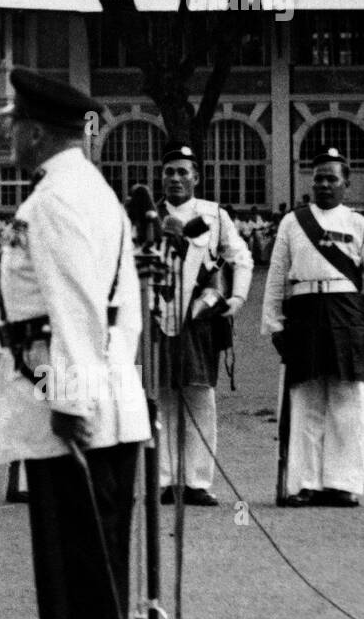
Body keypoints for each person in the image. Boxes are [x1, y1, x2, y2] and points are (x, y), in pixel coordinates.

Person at [0, 69, 150, 619]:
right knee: (89, 570)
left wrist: (69, 401)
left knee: (74, 574)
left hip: (75, 412)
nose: (8, 138)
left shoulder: (55, 200)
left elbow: (75, 308)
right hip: (105, 398)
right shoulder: (92, 192)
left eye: (12, 127)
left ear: (34, 131)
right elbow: (124, 310)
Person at [262, 146, 364, 507]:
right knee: (304, 400)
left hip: (346, 313)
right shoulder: (293, 221)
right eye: (318, 177)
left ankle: (341, 482)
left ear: (346, 184)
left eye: (331, 178)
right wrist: (274, 322)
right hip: (304, 311)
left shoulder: (357, 223)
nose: (323, 184)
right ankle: (304, 483)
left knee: (346, 401)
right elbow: (276, 275)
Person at [154, 143, 253, 506]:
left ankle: (196, 480)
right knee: (162, 395)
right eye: (169, 172)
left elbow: (240, 257)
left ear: (197, 176)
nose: (176, 178)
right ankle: (165, 479)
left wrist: (237, 299)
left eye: (183, 172)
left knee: (199, 395)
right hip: (159, 313)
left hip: (199, 316)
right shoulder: (147, 215)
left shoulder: (214, 215)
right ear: (160, 176)